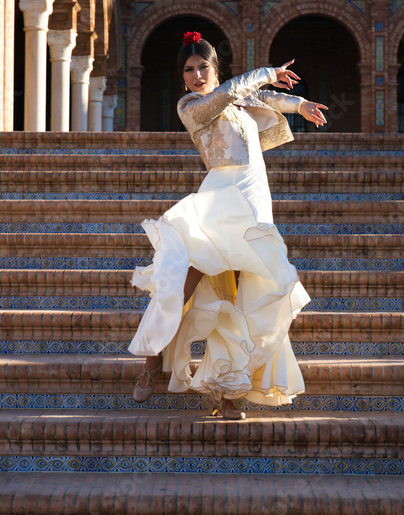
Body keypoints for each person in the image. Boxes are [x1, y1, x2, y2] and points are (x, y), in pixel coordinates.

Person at [128, 31, 329, 420]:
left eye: (203, 66)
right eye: (189, 69)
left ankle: (227, 393)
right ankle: (151, 363)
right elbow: (232, 92)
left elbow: (266, 99)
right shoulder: (191, 106)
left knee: (243, 298)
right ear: (183, 78)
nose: (197, 74)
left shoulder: (240, 97)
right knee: (181, 283)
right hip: (221, 198)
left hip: (254, 201)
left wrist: (300, 105)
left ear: (214, 67)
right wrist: (267, 71)